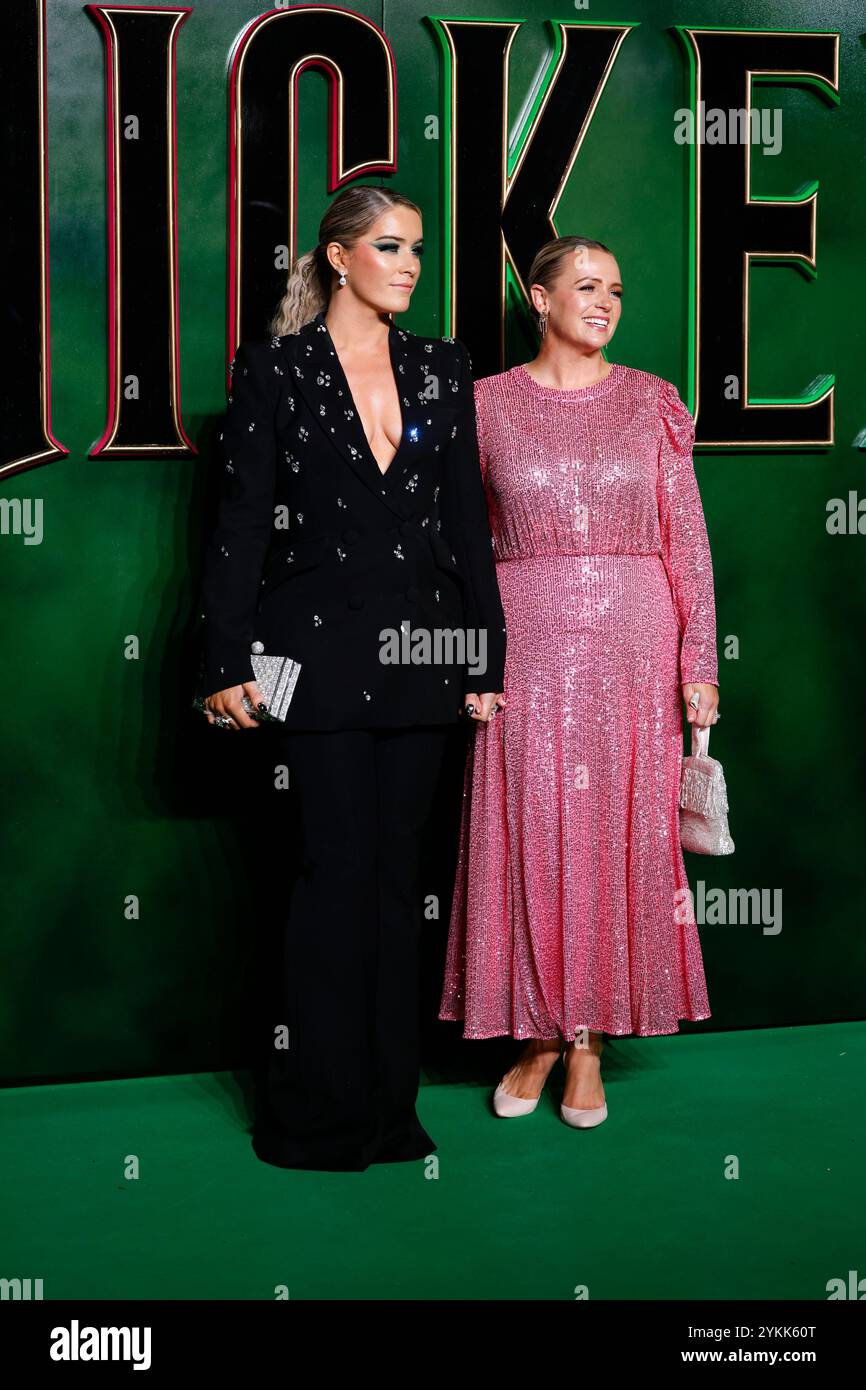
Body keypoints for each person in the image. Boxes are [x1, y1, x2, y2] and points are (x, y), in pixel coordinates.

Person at [194, 185, 506, 1170]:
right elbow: (240, 523)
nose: (410, 264)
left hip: (424, 657)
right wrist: (222, 659)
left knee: (394, 884)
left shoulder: (442, 367)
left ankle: (387, 1109)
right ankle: (314, 1114)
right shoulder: (274, 370)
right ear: (337, 257)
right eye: (389, 245)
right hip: (311, 659)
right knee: (329, 879)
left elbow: (467, 527)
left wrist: (482, 658)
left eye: (416, 248)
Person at [438, 236, 720, 1129]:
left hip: (638, 642)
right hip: (525, 644)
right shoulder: (482, 407)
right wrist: (469, 659)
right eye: (587, 287)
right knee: (529, 828)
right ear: (539, 297)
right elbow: (457, 553)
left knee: (622, 836)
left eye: (618, 290)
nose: (605, 303)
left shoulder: (652, 404)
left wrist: (699, 662)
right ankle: (540, 1033)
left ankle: (590, 1037)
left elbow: (690, 546)